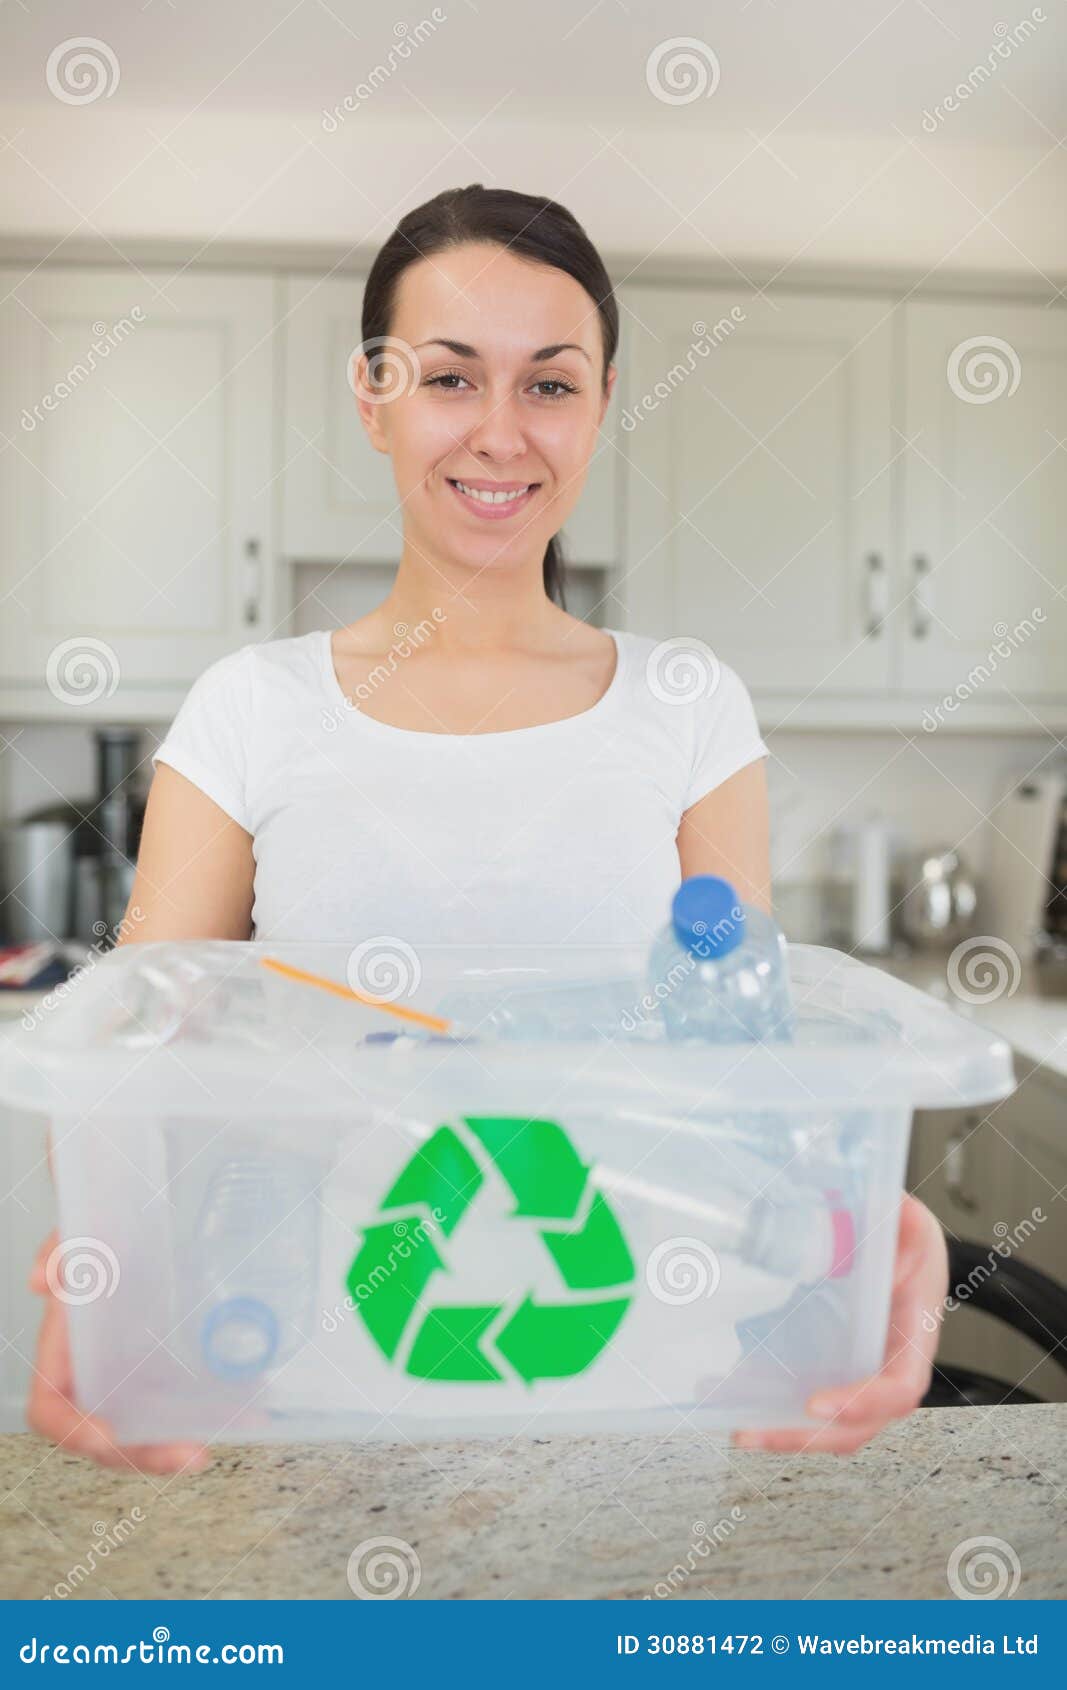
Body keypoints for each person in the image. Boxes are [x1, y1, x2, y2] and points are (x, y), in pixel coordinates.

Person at [27, 184, 947, 1473]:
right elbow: (130, 1054)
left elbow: (746, 1061)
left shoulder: (688, 707)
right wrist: (113, 1265)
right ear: (373, 397)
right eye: (451, 379)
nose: (502, 435)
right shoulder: (252, 709)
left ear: (604, 404)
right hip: (301, 1401)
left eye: (552, 386)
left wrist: (862, 1222)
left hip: (648, 1394)